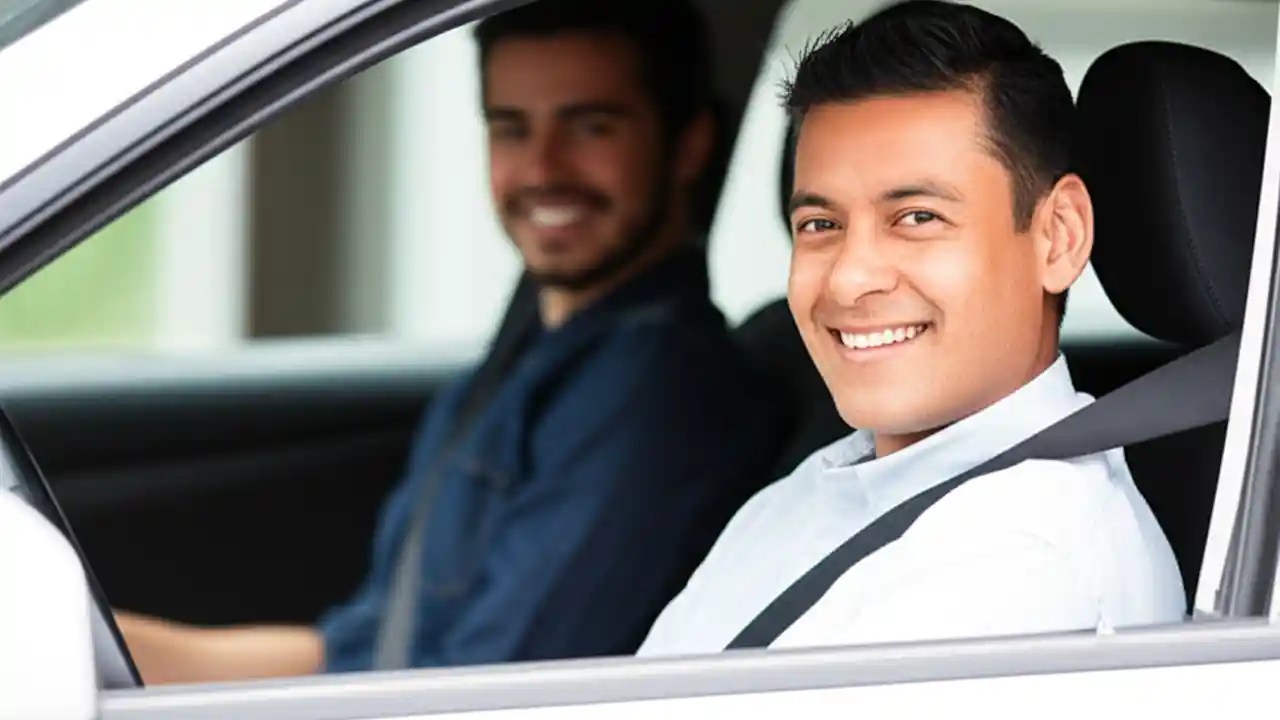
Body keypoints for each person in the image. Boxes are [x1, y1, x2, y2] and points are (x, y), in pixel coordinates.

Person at [116, 0, 778, 682]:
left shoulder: (655, 391)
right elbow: (367, 648)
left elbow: (485, 691)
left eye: (591, 127)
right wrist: (102, 647)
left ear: (690, 144)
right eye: (511, 129)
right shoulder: (533, 357)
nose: (543, 168)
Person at [637, 0, 1185, 656]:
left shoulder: (1021, 566)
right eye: (821, 225)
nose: (847, 279)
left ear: (1058, 236)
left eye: (918, 217)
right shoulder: (817, 488)